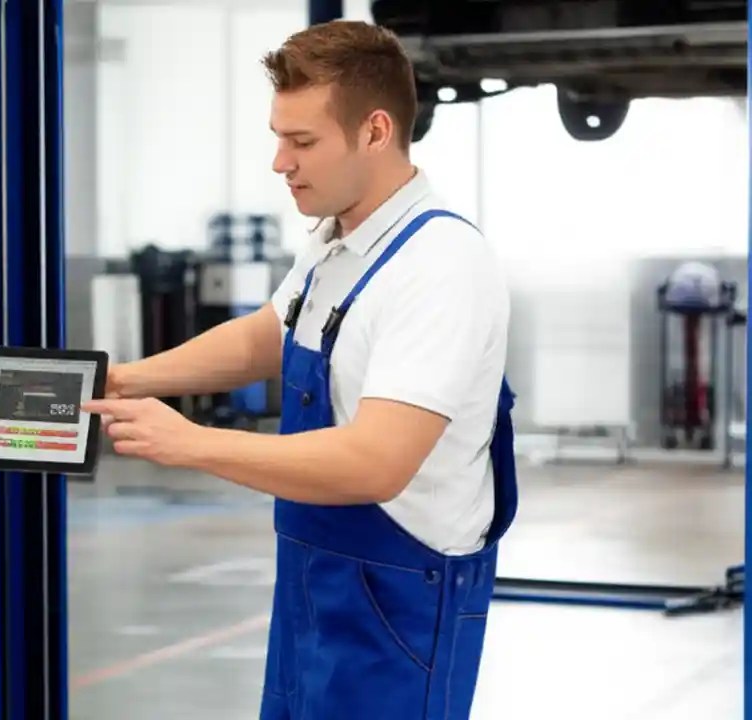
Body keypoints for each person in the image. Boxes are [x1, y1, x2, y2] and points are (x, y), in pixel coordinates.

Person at [84, 20, 517, 720]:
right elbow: (267, 336)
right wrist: (126, 381)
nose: (280, 162)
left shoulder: (440, 266)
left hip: (400, 607)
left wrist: (189, 443)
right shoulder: (336, 243)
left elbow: (377, 463)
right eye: (279, 137)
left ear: (375, 131)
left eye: (302, 141)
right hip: (316, 584)